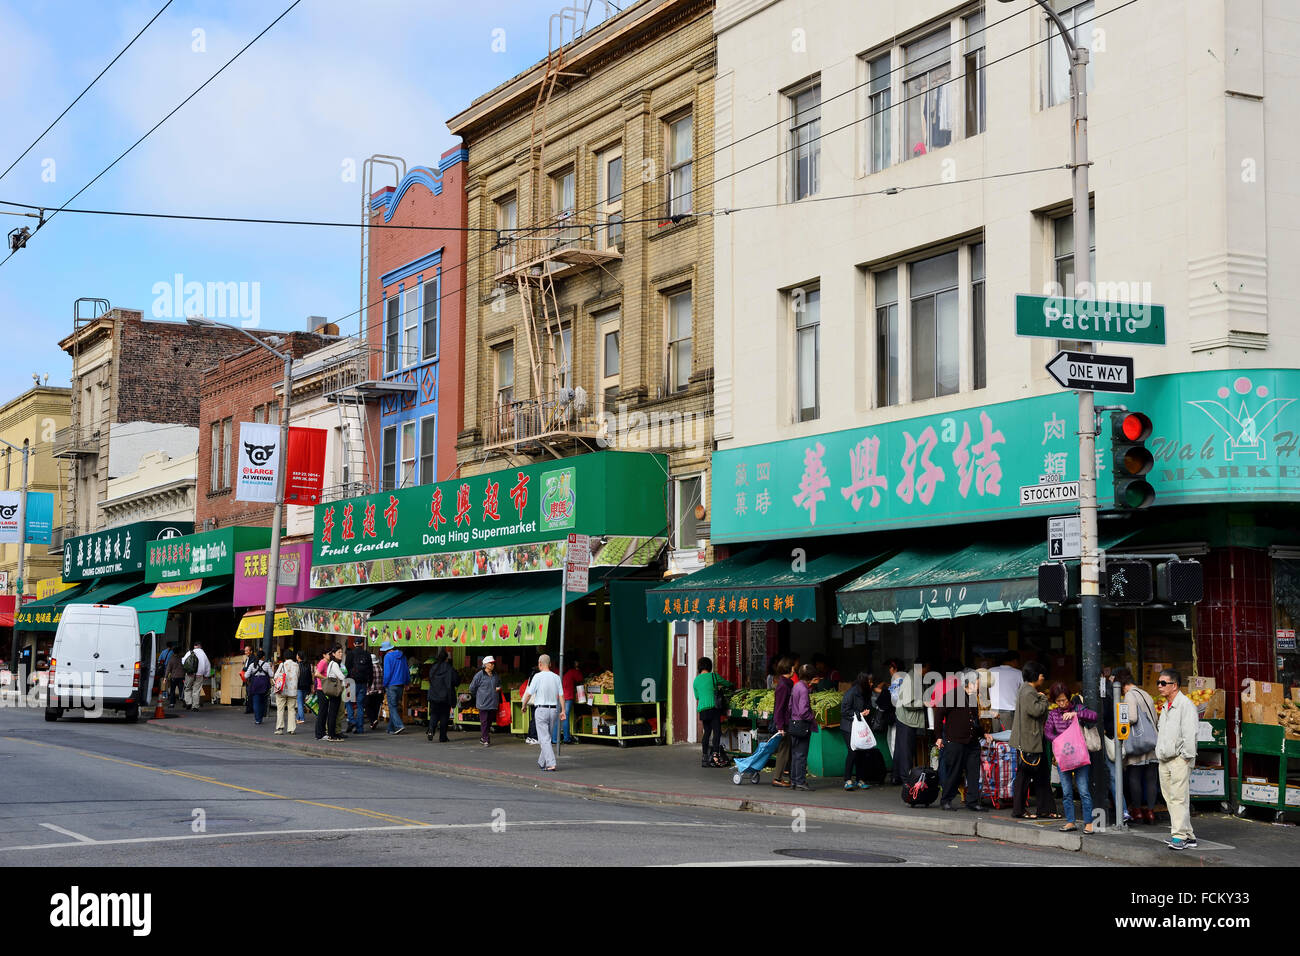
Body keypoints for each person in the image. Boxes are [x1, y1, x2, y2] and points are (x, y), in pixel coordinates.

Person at [1044, 683, 1098, 833]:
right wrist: (1060, 740)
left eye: (1064, 700)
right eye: (1059, 701)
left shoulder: (1078, 708)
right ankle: (1070, 821)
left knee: (1083, 790)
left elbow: (1094, 717)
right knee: (1066, 791)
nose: (1062, 703)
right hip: (1063, 757)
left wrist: (1076, 715)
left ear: (1069, 698)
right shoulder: (1053, 714)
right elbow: (1048, 732)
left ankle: (1088, 823)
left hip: (1079, 756)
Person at [1154, 668, 1199, 850]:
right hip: (1165, 759)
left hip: (1179, 759)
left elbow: (1191, 733)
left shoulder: (1185, 705)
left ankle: (1179, 836)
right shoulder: (1166, 706)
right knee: (1171, 798)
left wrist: (1186, 757)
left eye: (1163, 683)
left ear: (1175, 686)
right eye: (1158, 682)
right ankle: (1188, 835)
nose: (1159, 686)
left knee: (1178, 798)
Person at [936, 671, 990, 811]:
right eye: (978, 683)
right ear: (970, 683)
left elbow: (974, 720)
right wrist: (938, 736)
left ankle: (972, 801)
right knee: (954, 772)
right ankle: (946, 800)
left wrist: (983, 733)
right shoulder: (953, 695)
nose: (980, 686)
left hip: (971, 741)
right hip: (955, 740)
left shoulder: (972, 697)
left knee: (973, 773)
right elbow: (939, 714)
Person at [1010, 660, 1057, 819]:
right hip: (1029, 742)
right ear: (1036, 676)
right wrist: (1043, 699)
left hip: (1032, 740)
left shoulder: (1025, 689)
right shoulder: (1029, 692)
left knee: (1042, 775)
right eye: (1042, 674)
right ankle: (1019, 810)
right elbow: (1036, 711)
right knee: (1024, 777)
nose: (1043, 678)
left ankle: (1045, 809)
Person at [1114, 667, 1159, 825]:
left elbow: (1131, 717)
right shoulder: (1145, 693)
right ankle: (1151, 811)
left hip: (1139, 743)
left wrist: (1119, 721)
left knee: (1135, 776)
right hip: (1152, 741)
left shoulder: (1129, 695)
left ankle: (1138, 811)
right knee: (1151, 778)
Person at [522, 654, 565, 772]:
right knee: (547, 737)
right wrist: (563, 710)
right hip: (553, 710)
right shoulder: (556, 677)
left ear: (539, 664)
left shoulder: (537, 676)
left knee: (544, 739)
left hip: (541, 710)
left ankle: (551, 763)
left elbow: (529, 693)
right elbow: (561, 695)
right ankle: (542, 762)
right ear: (550, 664)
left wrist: (524, 705)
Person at [888, 658, 926, 785]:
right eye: (928, 668)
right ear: (922, 668)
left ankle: (896, 777)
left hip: (903, 717)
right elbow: (907, 702)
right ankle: (906, 779)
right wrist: (924, 703)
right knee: (906, 750)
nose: (928, 671)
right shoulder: (912, 679)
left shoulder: (912, 677)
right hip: (907, 719)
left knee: (900, 749)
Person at [692, 657, 732, 769]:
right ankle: (715, 757)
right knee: (717, 731)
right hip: (714, 708)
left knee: (707, 732)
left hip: (703, 709)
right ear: (710, 666)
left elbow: (697, 696)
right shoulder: (714, 676)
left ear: (699, 667)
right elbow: (727, 684)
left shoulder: (696, 680)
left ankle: (704, 758)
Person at [839, 671, 874, 791]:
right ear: (864, 682)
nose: (872, 683)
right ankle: (847, 780)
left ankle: (860, 780)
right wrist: (859, 714)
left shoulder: (866, 692)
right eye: (869, 681)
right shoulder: (851, 693)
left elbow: (869, 705)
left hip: (860, 727)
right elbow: (844, 711)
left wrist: (868, 711)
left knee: (862, 752)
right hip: (848, 727)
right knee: (853, 751)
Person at [788, 664, 818, 791]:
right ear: (810, 677)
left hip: (793, 723)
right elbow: (803, 711)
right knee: (801, 754)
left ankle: (794, 781)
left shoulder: (796, 686)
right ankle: (800, 781)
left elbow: (790, 706)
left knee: (795, 754)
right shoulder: (804, 690)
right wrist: (813, 718)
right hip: (802, 725)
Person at [770, 657, 795, 787]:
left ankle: (791, 776)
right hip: (784, 723)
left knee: (788, 749)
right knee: (784, 750)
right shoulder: (783, 686)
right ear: (789, 669)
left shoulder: (787, 684)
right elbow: (779, 708)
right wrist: (780, 726)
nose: (794, 670)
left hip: (787, 721)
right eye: (793, 667)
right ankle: (777, 778)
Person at [468, 656, 502, 746]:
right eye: (491, 663)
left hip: (493, 702)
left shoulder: (495, 675)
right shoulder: (479, 675)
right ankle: (486, 739)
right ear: (485, 664)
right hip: (483, 703)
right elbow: (472, 688)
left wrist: (498, 688)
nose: (492, 665)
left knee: (489, 721)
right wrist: (479, 695)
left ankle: (483, 737)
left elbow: (499, 684)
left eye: (493, 663)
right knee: (484, 721)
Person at [425, 649, 457, 742]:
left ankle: (431, 729)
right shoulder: (449, 668)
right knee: (444, 716)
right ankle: (442, 737)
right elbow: (456, 680)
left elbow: (430, 679)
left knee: (434, 714)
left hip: (434, 695)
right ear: (446, 659)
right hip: (445, 696)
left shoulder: (433, 668)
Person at [318, 645, 348, 742]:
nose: (341, 654)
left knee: (333, 712)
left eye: (341, 652)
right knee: (333, 713)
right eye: (339, 652)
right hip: (335, 690)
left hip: (333, 689)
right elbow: (341, 676)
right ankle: (331, 735)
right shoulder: (334, 664)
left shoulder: (332, 663)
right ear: (334, 654)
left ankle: (333, 733)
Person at [988, 651, 1022, 735]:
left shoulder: (990, 671)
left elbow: (981, 690)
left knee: (995, 737)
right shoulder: (1018, 673)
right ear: (1014, 661)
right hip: (1010, 711)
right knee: (1009, 738)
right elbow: (1023, 691)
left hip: (994, 710)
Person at [345, 637, 373, 734]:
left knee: (348, 701)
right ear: (362, 644)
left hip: (350, 681)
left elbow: (346, 669)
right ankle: (360, 728)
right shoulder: (367, 654)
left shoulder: (350, 654)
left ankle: (352, 720)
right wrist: (370, 682)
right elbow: (371, 669)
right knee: (360, 705)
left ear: (354, 644)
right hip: (363, 682)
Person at [381, 640, 407, 735]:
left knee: (392, 707)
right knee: (394, 706)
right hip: (401, 684)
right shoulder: (402, 656)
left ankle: (399, 725)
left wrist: (384, 684)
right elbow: (406, 670)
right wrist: (407, 682)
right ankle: (390, 728)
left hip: (391, 684)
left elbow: (387, 673)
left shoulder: (387, 657)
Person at [244, 648, 273, 726]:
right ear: (263, 657)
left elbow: (246, 675)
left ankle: (257, 719)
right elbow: (271, 675)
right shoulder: (266, 664)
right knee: (263, 702)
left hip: (255, 685)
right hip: (264, 685)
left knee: (256, 702)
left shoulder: (252, 665)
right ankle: (261, 716)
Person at [273, 652, 300, 735]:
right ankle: (291, 729)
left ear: (285, 657)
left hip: (282, 690)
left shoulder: (282, 665)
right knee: (292, 710)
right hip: (293, 691)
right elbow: (298, 676)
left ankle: (280, 728)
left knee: (280, 709)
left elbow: (275, 676)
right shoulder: (296, 665)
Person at [560, 659, 583, 744]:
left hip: (558, 696)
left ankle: (554, 739)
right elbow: (580, 678)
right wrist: (577, 669)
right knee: (565, 716)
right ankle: (566, 738)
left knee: (557, 718)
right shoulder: (572, 671)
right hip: (567, 696)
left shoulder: (559, 670)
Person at [181, 641, 210, 710]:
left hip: (190, 674)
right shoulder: (203, 654)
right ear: (200, 646)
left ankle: (189, 703)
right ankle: (195, 706)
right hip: (199, 675)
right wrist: (206, 674)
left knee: (187, 688)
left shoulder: (189, 652)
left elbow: (183, 661)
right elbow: (207, 665)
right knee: (196, 690)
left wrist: (187, 670)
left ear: (194, 646)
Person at [165, 642, 186, 708]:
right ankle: (183, 701)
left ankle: (172, 703)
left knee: (172, 691)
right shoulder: (182, 659)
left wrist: (165, 677)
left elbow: (168, 669)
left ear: (173, 652)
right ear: (179, 652)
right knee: (182, 690)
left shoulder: (171, 659)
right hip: (182, 677)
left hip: (173, 677)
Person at [295, 650, 312, 723]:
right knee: (302, 702)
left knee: (299, 703)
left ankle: (301, 718)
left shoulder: (296, 665)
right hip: (306, 686)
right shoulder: (308, 665)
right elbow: (310, 676)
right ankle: (298, 718)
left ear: (298, 656)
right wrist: (311, 686)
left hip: (298, 686)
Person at [241, 644, 256, 715]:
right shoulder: (248, 658)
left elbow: (250, 668)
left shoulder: (253, 658)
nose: (245, 652)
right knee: (249, 694)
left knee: (249, 694)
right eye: (245, 651)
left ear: (251, 651)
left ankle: (249, 709)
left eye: (247, 651)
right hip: (248, 678)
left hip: (251, 679)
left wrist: (244, 669)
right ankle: (250, 708)